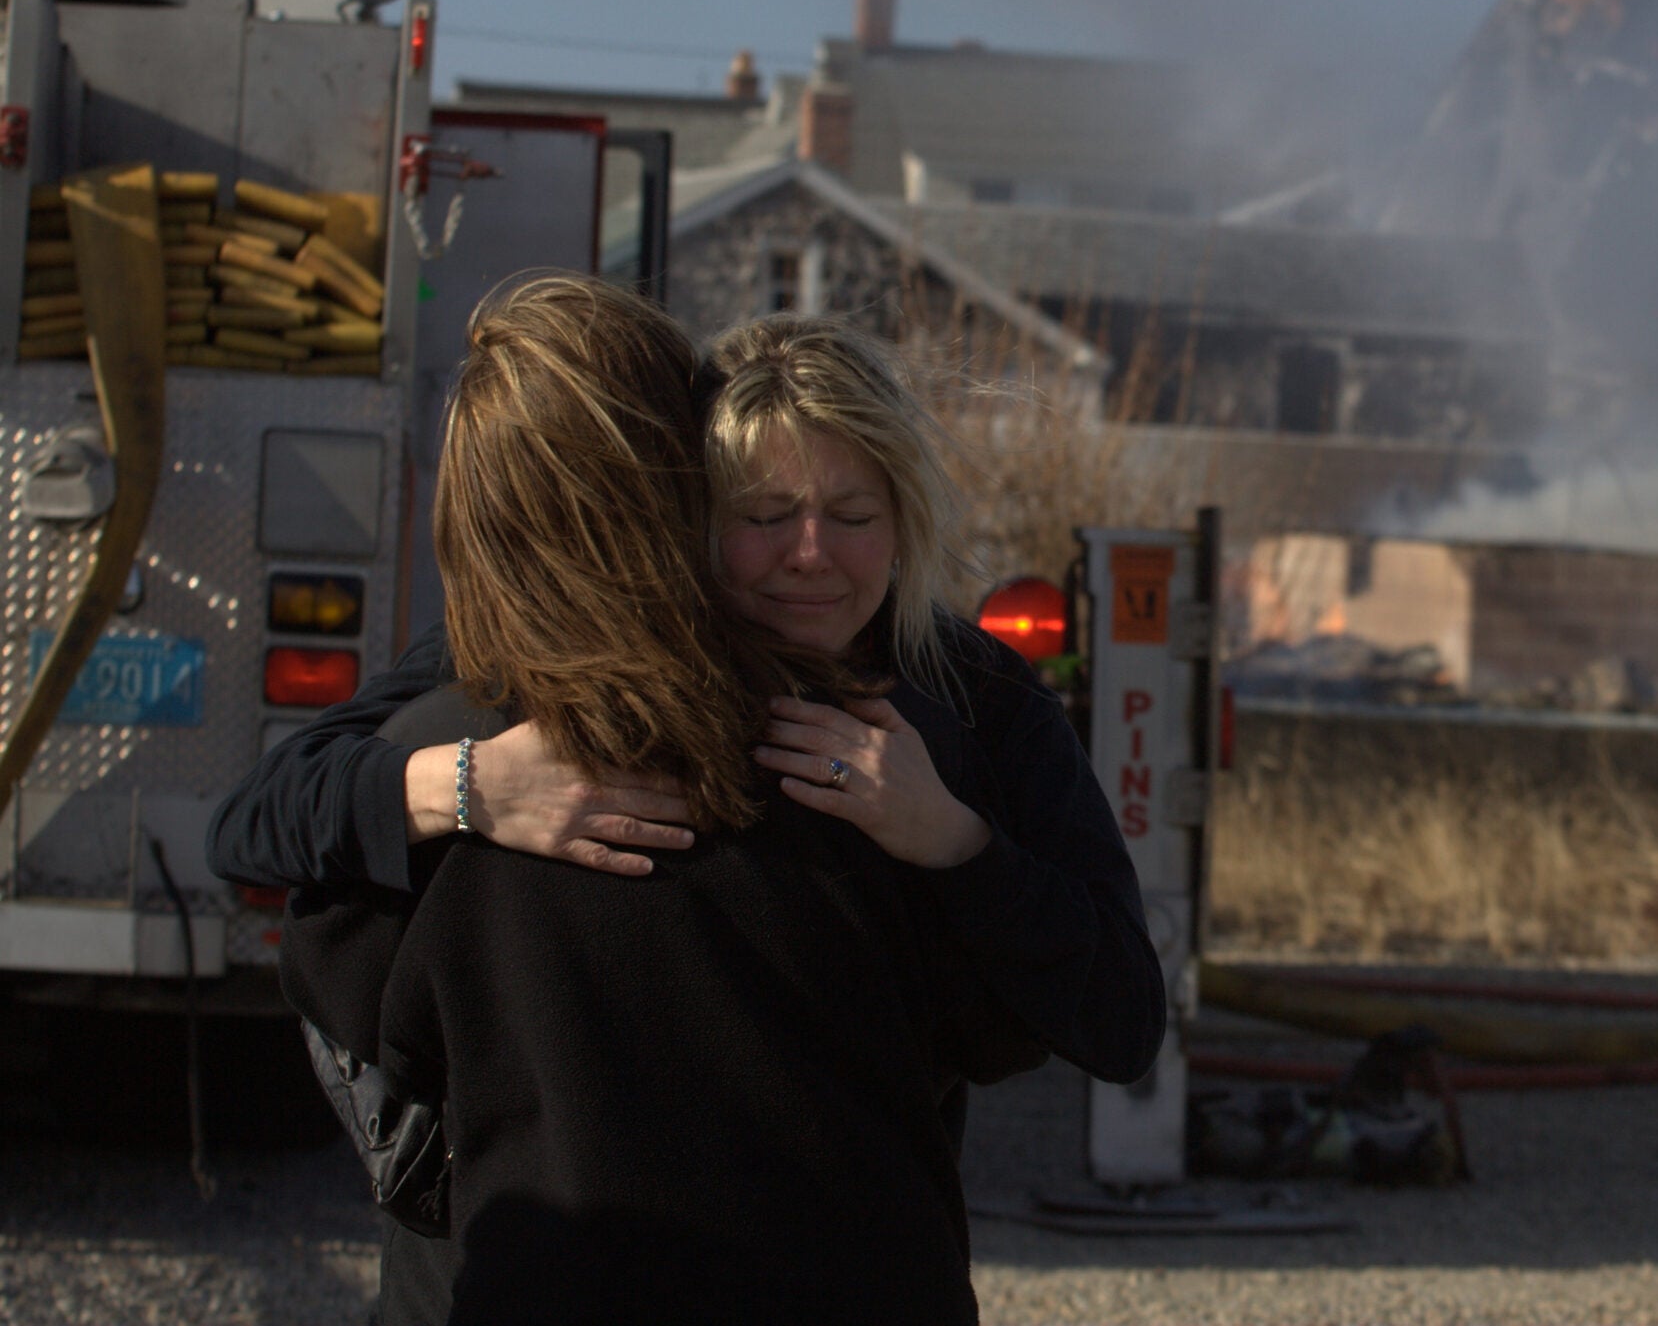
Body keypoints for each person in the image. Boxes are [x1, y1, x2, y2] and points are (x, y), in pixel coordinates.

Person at [219, 280, 1162, 1322]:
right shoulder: (499, 692)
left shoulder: (971, 702)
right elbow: (256, 823)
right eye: (763, 518)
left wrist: (951, 838)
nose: (811, 553)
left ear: (904, 518)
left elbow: (1120, 1018)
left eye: (853, 515)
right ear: (689, 519)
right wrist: (466, 785)